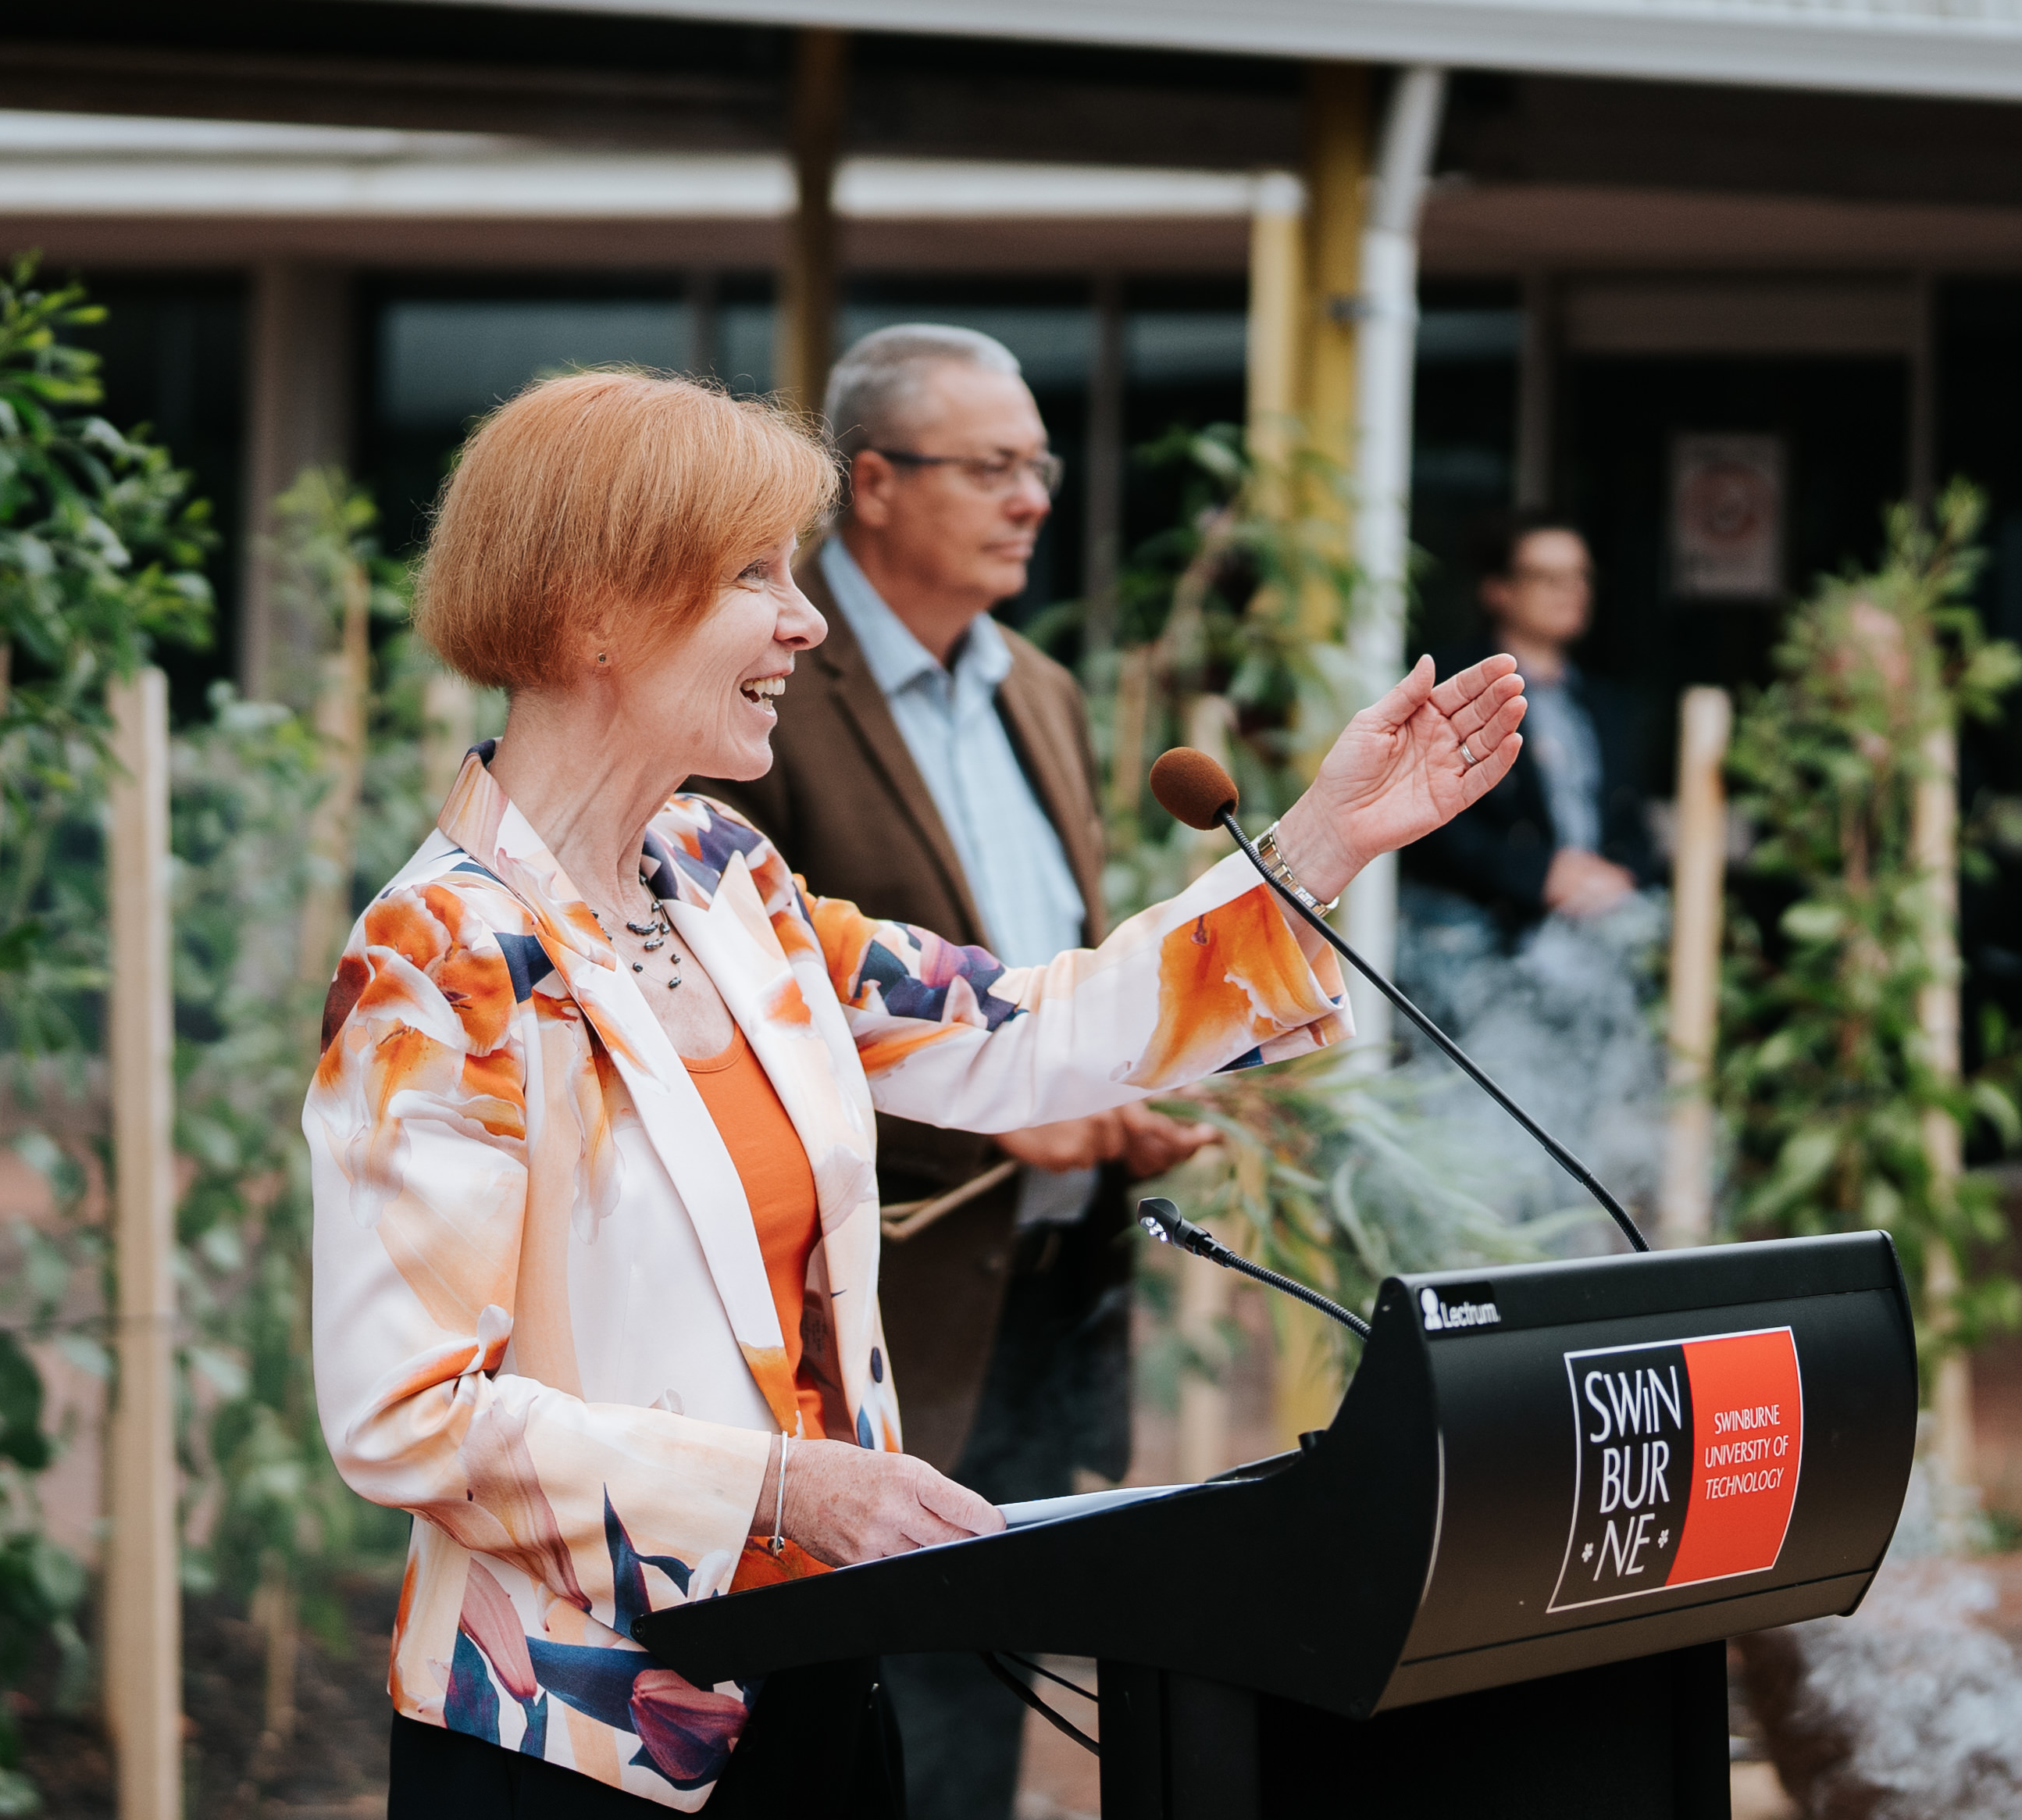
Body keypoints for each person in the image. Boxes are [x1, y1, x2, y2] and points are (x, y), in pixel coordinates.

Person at [305, 366, 1529, 1817]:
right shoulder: (440, 956)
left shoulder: (721, 873)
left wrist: (1318, 844)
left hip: (816, 1662)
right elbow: (407, 1415)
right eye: (754, 576)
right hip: (579, 1733)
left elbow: (1020, 1033)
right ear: (594, 615)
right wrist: (785, 1487)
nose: (807, 620)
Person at [687, 324, 1207, 1818]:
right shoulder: (760, 687)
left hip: (1047, 1291)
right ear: (872, 484)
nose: (1031, 497)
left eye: (1037, 465)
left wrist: (1107, 1111)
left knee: (992, 1696)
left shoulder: (1038, 688)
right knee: (879, 1722)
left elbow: (1036, 984)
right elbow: (717, 1017)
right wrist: (998, 1124)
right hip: (876, 1310)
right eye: (990, 468)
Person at [1403, 509, 1663, 933]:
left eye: (1581, 576)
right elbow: (1435, 823)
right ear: (1497, 589)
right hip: (1479, 927)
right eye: (1547, 577)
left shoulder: (1606, 703)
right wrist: (1539, 875)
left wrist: (1622, 876)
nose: (1571, 591)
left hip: (1598, 922)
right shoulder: (1456, 687)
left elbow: (1632, 822)